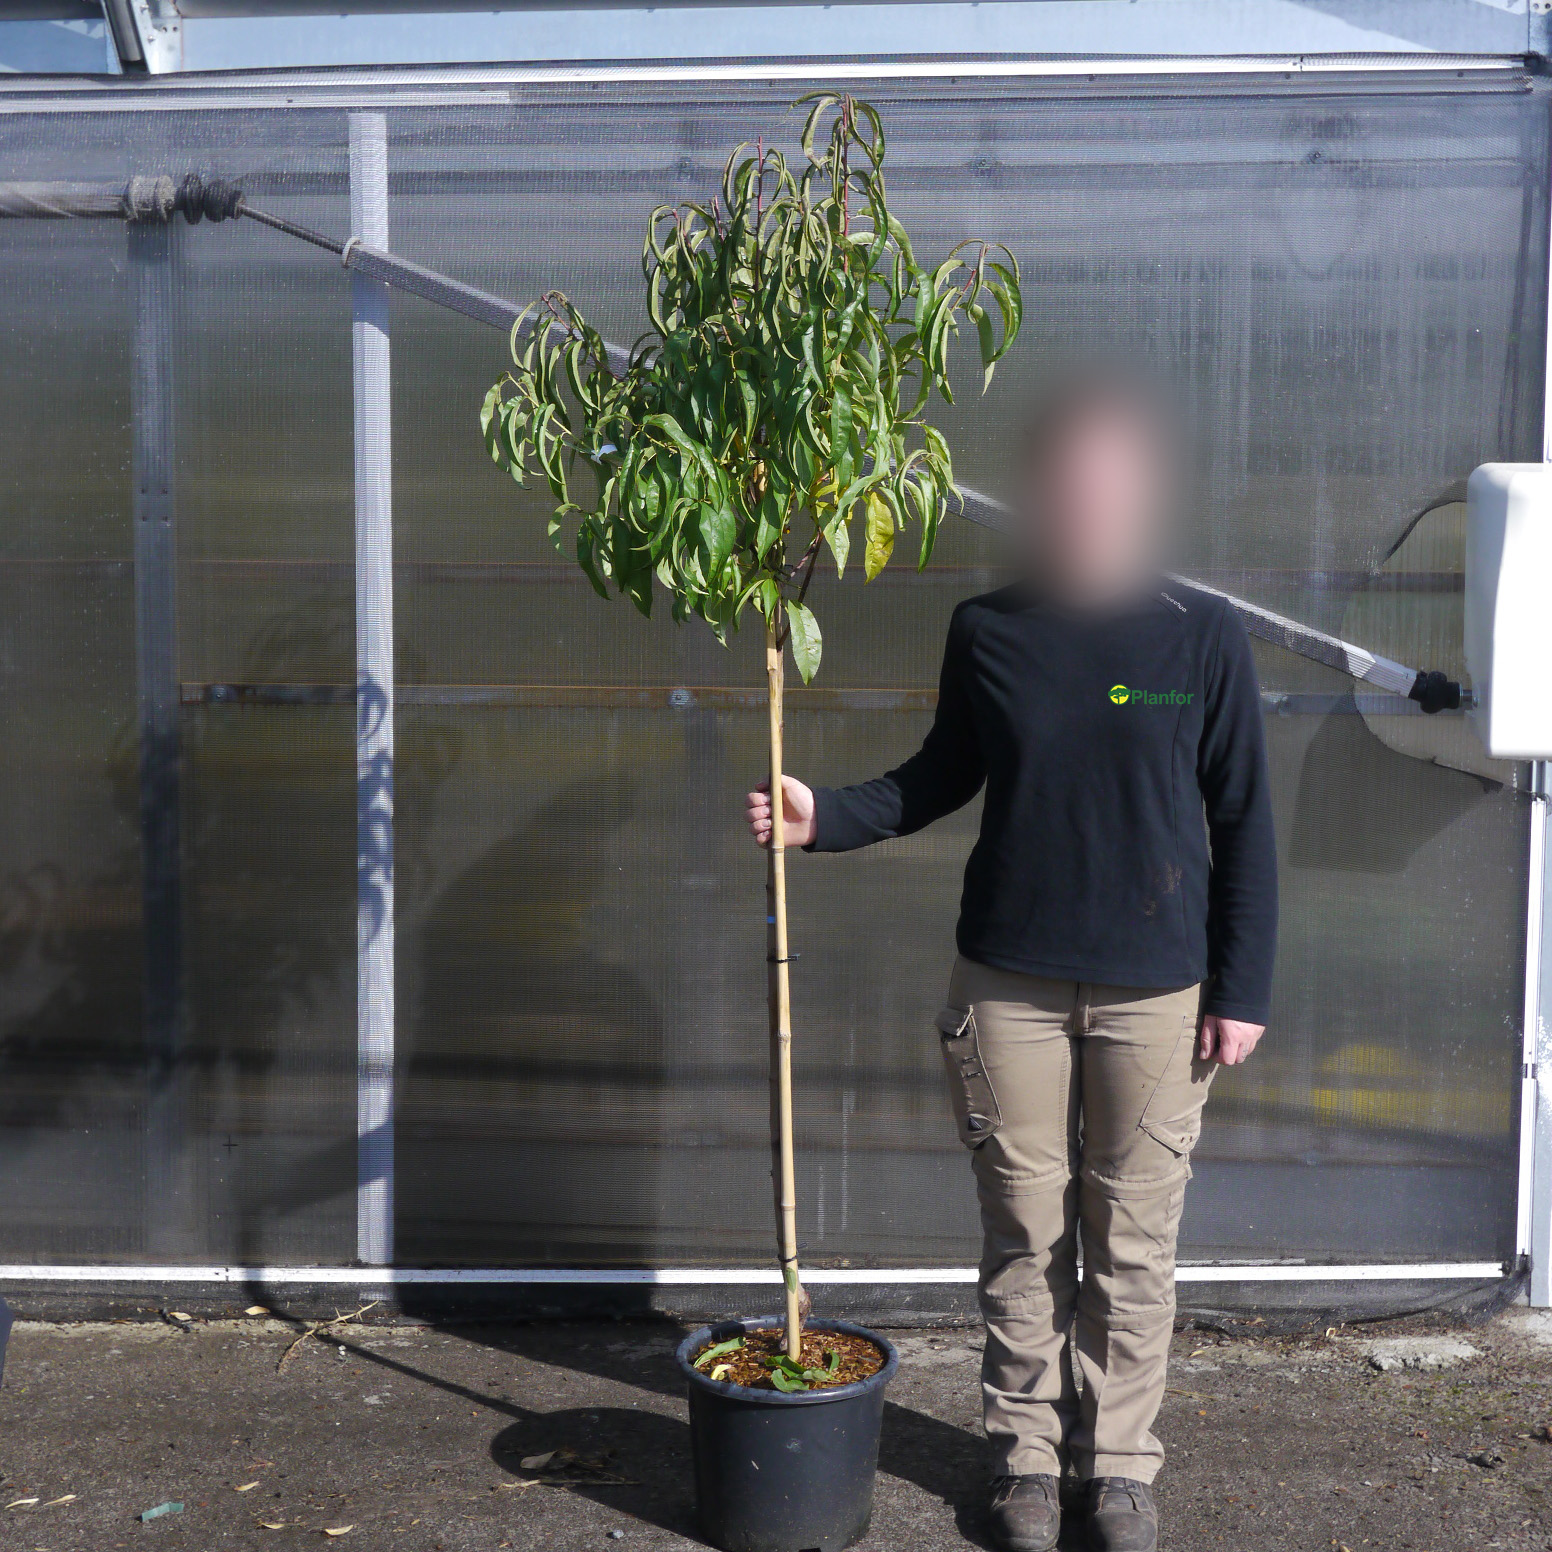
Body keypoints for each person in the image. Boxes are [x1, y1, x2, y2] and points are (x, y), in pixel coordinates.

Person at [745, 375, 1277, 1552]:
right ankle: (1026, 1461)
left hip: (1156, 990)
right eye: (1069, 483)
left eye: (1110, 483)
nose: (1087, 503)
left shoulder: (1202, 636)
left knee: (1133, 1244)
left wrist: (1239, 989)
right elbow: (940, 773)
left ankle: (1120, 1469)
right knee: (1024, 1236)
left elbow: (1242, 821)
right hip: (1008, 991)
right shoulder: (990, 630)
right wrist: (819, 814)